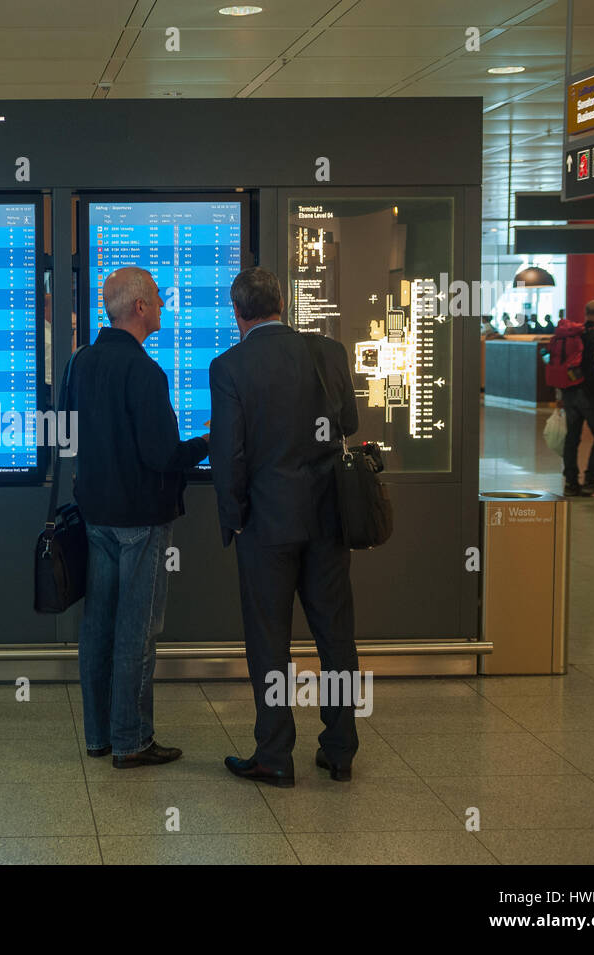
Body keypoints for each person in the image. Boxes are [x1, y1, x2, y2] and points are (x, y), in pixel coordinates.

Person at [208, 266, 361, 787]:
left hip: (267, 526)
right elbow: (350, 425)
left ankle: (275, 754)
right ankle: (340, 749)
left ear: (238, 312)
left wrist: (234, 521)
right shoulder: (329, 353)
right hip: (327, 520)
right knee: (336, 637)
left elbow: (228, 456)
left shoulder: (229, 366)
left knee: (270, 644)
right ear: (282, 304)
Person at [71, 266, 209, 769]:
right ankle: (131, 740)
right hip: (140, 521)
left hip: (95, 515)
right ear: (139, 308)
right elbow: (162, 454)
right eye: (156, 298)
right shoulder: (145, 373)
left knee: (98, 627)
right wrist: (209, 442)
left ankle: (98, 736)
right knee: (137, 630)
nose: (162, 305)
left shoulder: (81, 362)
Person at [559, 301, 594, 497]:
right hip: (591, 397)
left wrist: (560, 394)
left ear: (585, 313)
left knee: (572, 437)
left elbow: (562, 366)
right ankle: (591, 479)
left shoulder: (574, 336)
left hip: (570, 394)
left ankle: (571, 483)